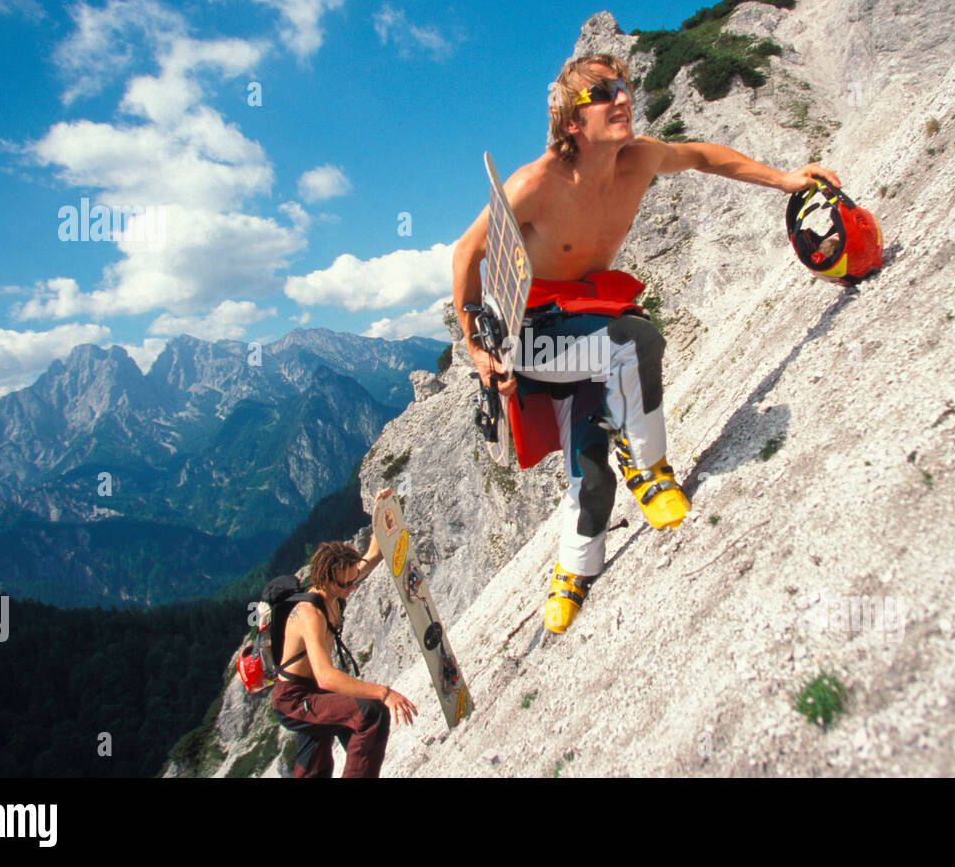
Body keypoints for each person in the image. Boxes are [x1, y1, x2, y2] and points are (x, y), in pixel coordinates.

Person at [452, 53, 842, 635]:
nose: (622, 97)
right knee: (634, 341)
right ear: (571, 122)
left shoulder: (641, 159)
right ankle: (653, 468)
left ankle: (572, 573)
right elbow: (467, 252)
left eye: (624, 86)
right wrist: (478, 349)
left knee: (590, 465)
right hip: (531, 340)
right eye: (603, 92)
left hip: (589, 323)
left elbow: (707, 157)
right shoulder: (535, 184)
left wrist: (786, 179)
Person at [271, 487, 417, 778]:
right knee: (370, 714)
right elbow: (325, 676)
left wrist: (380, 508)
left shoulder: (336, 587)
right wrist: (384, 693)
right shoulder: (310, 614)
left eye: (353, 581)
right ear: (325, 580)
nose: (352, 588)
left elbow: (374, 555)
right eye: (346, 584)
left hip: (311, 693)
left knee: (316, 764)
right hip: (293, 699)